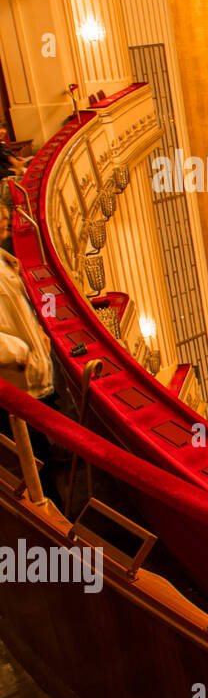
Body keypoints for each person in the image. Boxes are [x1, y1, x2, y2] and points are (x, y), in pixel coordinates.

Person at [0, 193, 60, 502]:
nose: (4, 219)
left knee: (43, 458)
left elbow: (19, 310)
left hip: (29, 381)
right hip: (16, 388)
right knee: (35, 469)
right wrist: (20, 351)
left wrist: (36, 330)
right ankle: (57, 534)